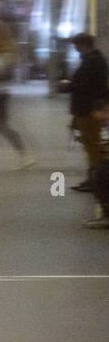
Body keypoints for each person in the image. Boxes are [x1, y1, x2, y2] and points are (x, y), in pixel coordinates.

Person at [68, 33, 109, 193]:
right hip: (87, 110)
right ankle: (94, 179)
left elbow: (85, 86)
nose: (76, 49)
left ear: (84, 45)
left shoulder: (93, 62)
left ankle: (97, 181)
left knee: (93, 147)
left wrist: (68, 86)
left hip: (88, 111)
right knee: (91, 146)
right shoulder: (95, 60)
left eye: (77, 46)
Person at [83, 98, 109, 229]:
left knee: (100, 174)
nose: (103, 120)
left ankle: (107, 215)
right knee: (97, 171)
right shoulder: (105, 126)